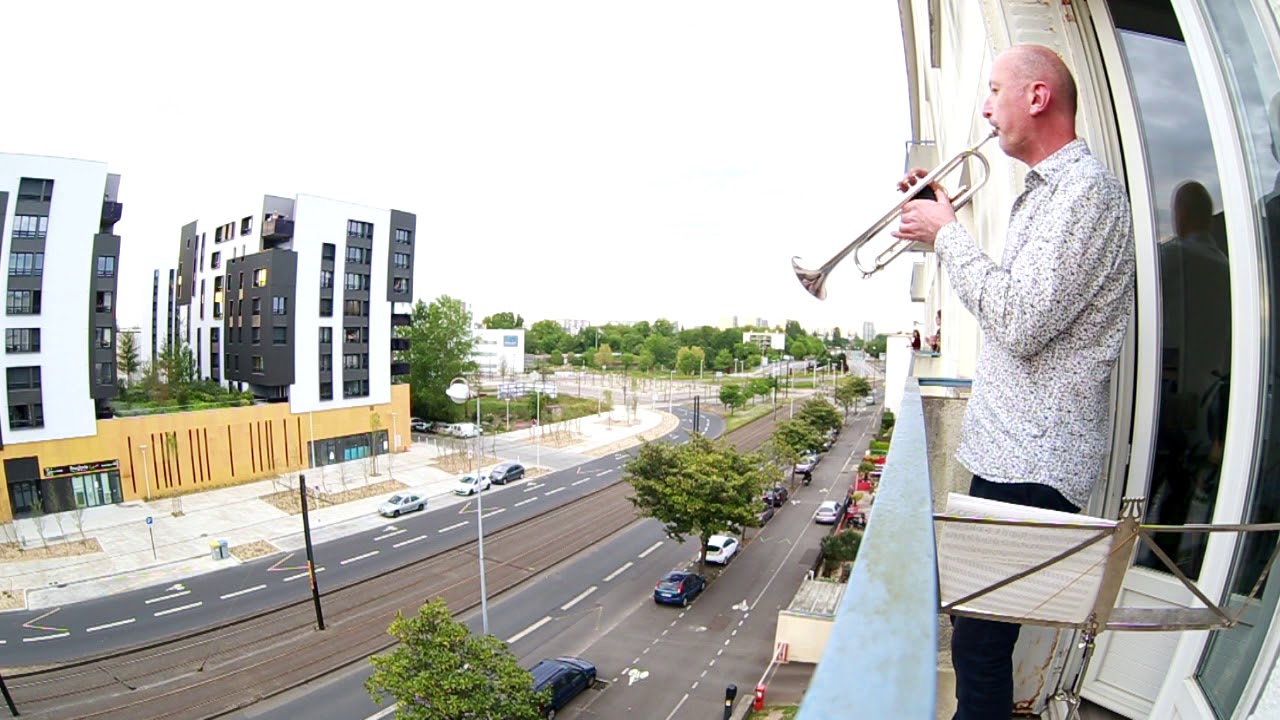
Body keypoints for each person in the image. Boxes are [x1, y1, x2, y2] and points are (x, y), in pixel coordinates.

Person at [892, 44, 1136, 720]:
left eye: (995, 90)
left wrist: (947, 236)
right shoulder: (1046, 195)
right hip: (1008, 448)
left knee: (979, 647)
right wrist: (946, 220)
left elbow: (1022, 321)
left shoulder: (1085, 194)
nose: (985, 107)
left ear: (1038, 96)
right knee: (976, 638)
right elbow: (1016, 299)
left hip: (1035, 455)